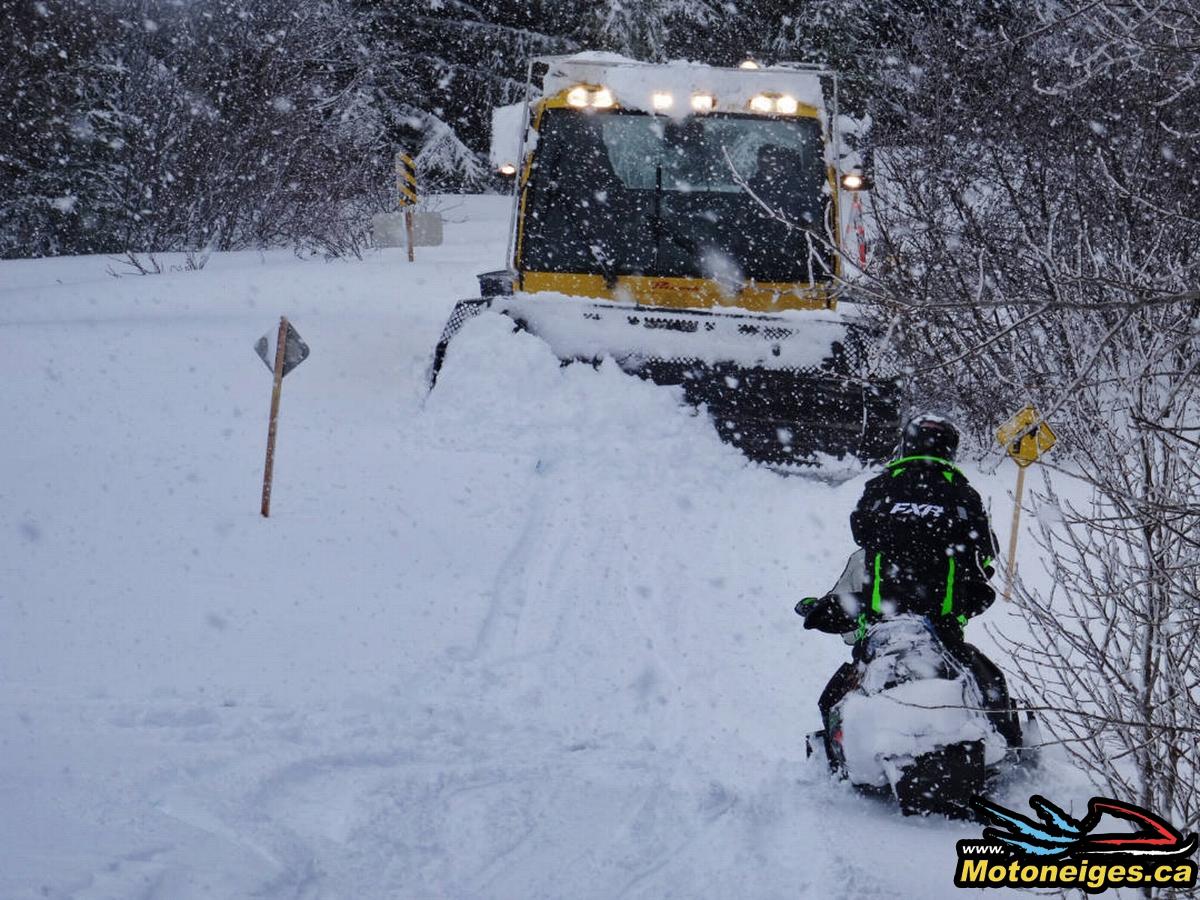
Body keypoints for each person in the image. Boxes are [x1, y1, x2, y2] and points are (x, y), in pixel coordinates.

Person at [799, 414, 1022, 749]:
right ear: (949, 449)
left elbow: (861, 531)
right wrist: (967, 585)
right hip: (941, 624)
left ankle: (835, 750)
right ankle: (1012, 748)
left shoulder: (880, 487)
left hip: (882, 619)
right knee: (992, 689)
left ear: (907, 443)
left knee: (836, 695)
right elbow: (984, 555)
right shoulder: (962, 494)